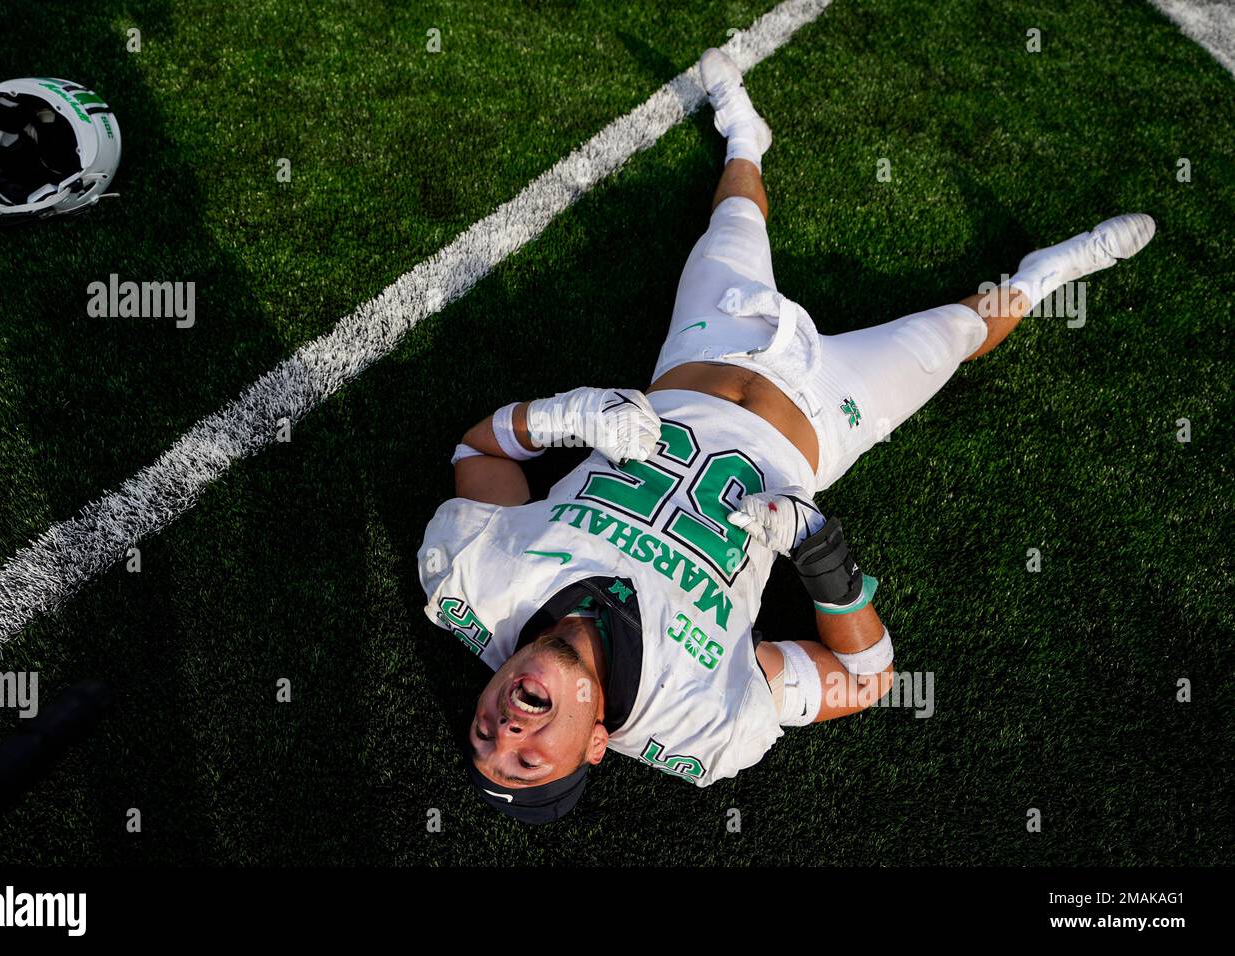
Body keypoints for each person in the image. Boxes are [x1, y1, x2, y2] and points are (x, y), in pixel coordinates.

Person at [417, 48, 1156, 823]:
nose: (506, 733)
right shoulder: (698, 723)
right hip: (824, 420)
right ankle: (1047, 275)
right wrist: (820, 556)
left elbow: (478, 450)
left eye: (483, 736)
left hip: (700, 354)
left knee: (735, 217)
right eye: (529, 760)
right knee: (960, 331)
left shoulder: (472, 583)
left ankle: (745, 137)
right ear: (595, 744)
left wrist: (569, 417)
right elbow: (866, 680)